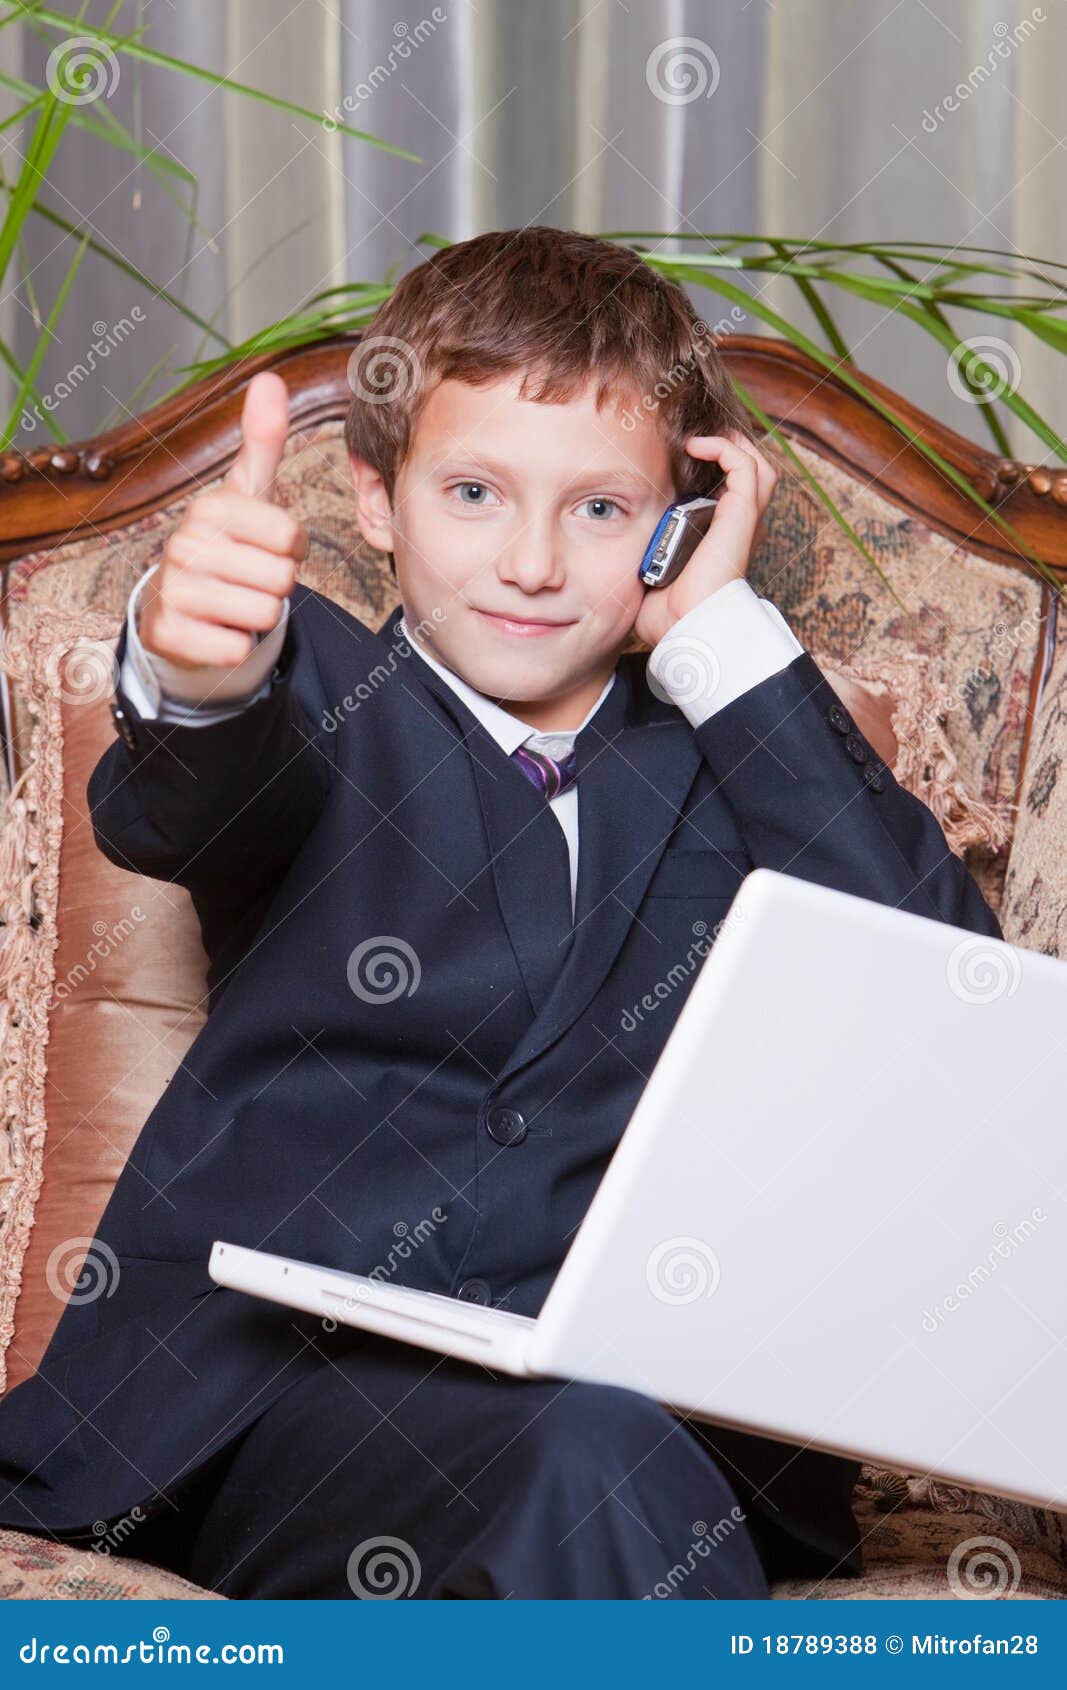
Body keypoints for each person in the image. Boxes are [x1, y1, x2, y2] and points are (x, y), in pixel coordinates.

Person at [0, 226, 1003, 1599]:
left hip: (656, 1444)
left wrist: (719, 633)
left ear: (677, 520)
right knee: (574, 1466)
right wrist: (192, 669)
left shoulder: (730, 750)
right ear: (375, 493)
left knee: (597, 1463)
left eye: (599, 510)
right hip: (295, 1416)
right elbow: (189, 789)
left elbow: (947, 987)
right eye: (475, 491)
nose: (532, 561)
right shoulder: (314, 693)